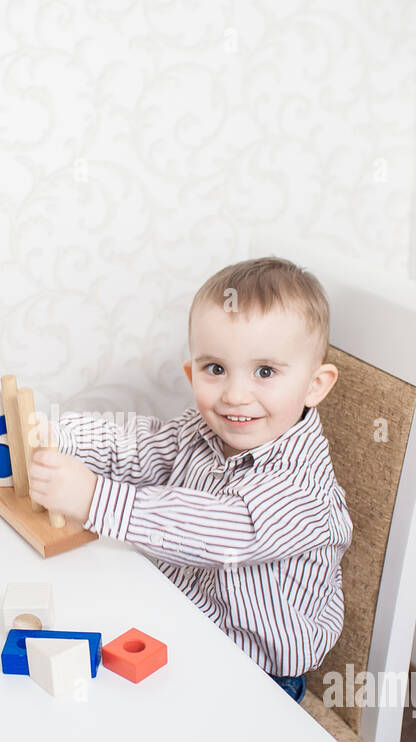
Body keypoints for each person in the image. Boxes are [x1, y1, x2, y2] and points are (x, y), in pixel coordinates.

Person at [28, 257, 354, 706]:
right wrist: (58, 433)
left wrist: (94, 499)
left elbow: (224, 531)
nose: (235, 395)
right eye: (216, 369)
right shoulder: (204, 431)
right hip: (178, 620)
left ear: (315, 386)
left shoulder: (302, 488)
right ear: (191, 373)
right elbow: (139, 445)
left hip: (253, 671)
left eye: (265, 372)